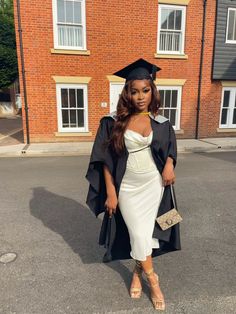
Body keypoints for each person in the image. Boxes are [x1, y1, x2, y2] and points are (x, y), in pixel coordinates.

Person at [86, 58, 181, 311]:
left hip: (154, 185)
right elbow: (105, 161)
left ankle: (138, 273)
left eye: (145, 91)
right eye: (135, 91)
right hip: (127, 187)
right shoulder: (112, 122)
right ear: (127, 92)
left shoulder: (161, 123)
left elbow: (170, 149)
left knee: (147, 234)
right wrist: (110, 192)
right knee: (138, 233)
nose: (140, 96)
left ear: (153, 91)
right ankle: (154, 279)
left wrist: (170, 164)